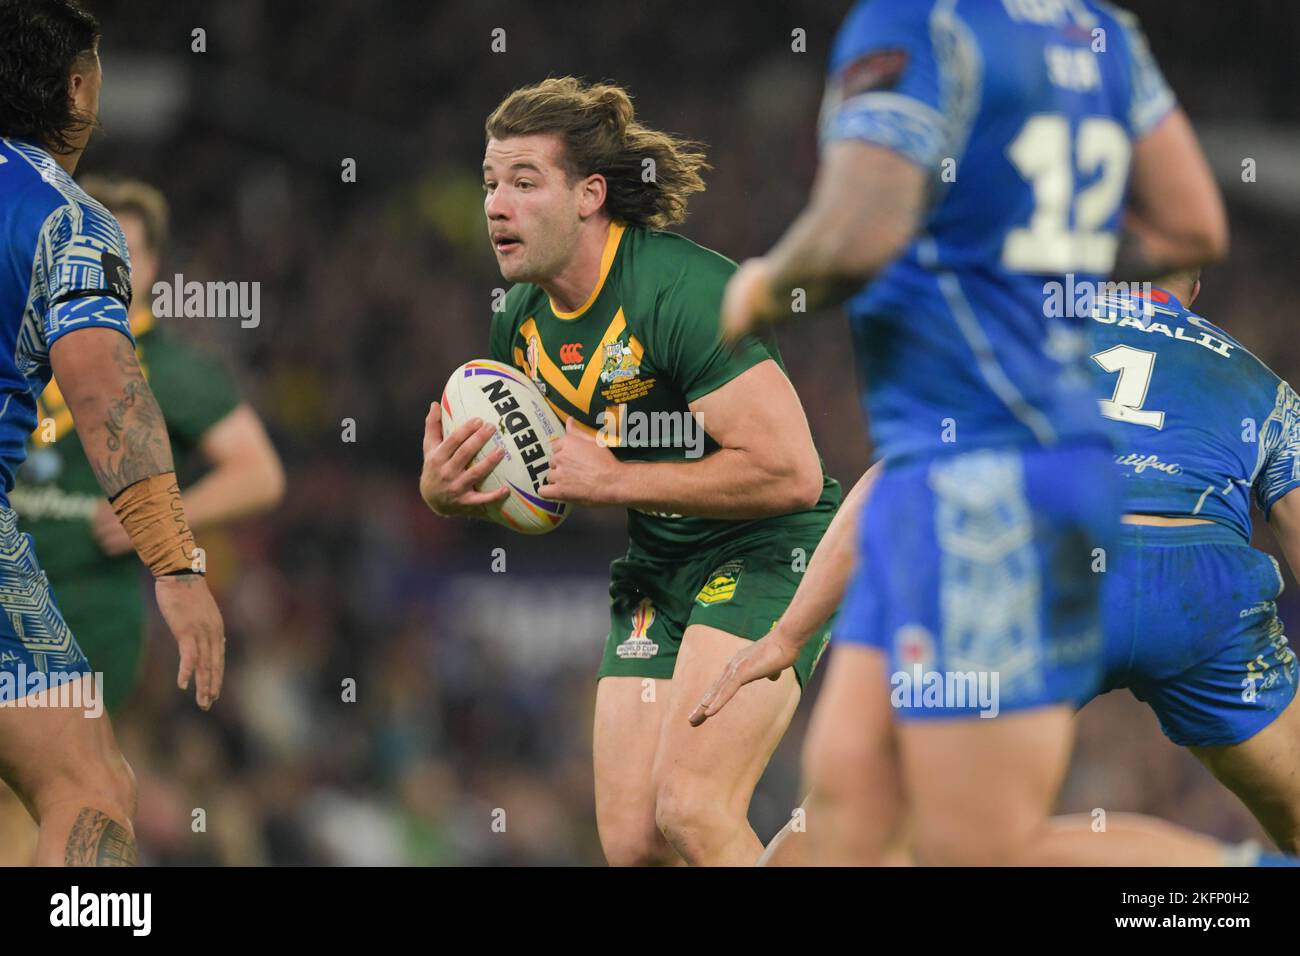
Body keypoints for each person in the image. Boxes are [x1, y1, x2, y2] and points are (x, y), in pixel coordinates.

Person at [696, 0, 1230, 865]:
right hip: (946, 475)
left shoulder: (917, 22)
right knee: (843, 809)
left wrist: (759, 288)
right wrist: (1032, 256)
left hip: (991, 488)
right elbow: (1191, 227)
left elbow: (856, 233)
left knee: (979, 850)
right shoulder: (1103, 35)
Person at [420, 77, 841, 866]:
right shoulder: (519, 319)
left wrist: (611, 478)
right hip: (658, 564)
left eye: (522, 181)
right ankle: (848, 839)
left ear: (589, 195)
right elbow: (553, 486)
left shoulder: (685, 291)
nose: (494, 205)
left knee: (690, 808)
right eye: (488, 183)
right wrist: (451, 494)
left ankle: (854, 834)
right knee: (635, 843)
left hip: (765, 551)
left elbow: (790, 473)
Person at [0, 0, 225, 865]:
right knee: (89, 789)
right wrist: (176, 563)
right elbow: (104, 394)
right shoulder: (67, 219)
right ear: (80, 86)